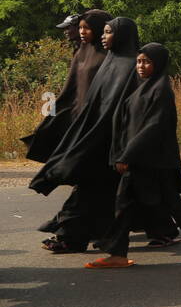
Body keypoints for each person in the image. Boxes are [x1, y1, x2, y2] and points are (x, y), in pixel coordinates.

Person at [85, 43, 181, 268]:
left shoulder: (161, 90)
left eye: (147, 62)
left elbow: (153, 127)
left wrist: (127, 155)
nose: (141, 66)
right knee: (131, 205)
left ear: (158, 64)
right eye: (139, 61)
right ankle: (119, 254)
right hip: (143, 161)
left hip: (153, 161)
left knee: (166, 206)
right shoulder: (142, 87)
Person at [31, 17, 143, 253]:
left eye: (106, 32)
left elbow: (131, 108)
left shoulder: (130, 65)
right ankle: (94, 235)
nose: (101, 36)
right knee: (97, 188)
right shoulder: (107, 60)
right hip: (92, 132)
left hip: (111, 139)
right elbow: (78, 96)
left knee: (91, 188)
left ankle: (72, 237)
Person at [23, 9, 112, 164]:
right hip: (80, 111)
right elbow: (71, 87)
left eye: (86, 28)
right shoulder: (81, 52)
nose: (81, 32)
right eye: (80, 28)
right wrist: (54, 112)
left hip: (102, 115)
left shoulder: (111, 55)